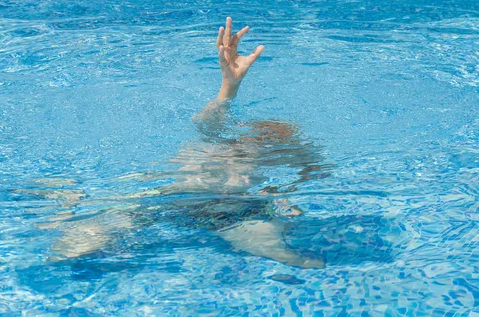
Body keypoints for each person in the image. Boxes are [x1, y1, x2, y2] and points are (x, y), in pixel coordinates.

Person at [33, 18, 328, 268]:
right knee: (70, 251)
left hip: (232, 209)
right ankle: (67, 197)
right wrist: (228, 87)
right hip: (170, 197)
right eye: (257, 138)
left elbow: (313, 171)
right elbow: (208, 121)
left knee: (285, 255)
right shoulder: (220, 138)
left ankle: (68, 200)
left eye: (268, 145)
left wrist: (282, 194)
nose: (259, 144)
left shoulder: (285, 151)